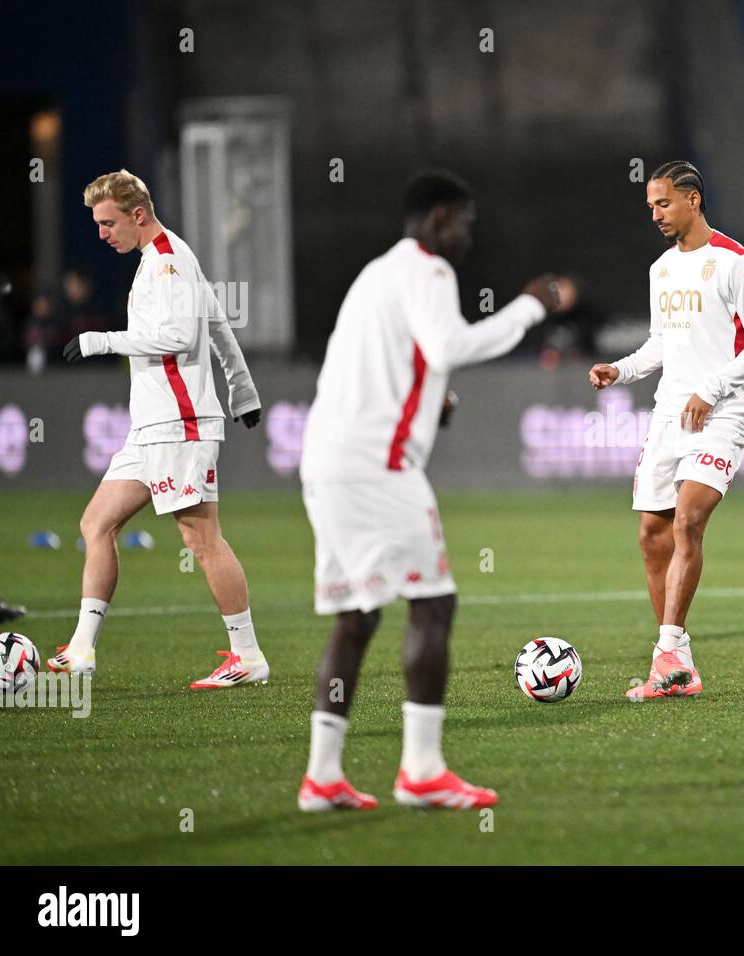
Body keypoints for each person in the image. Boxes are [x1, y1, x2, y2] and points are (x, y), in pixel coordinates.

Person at [297, 169, 577, 812]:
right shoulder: (429, 269)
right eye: (466, 224)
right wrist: (532, 303)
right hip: (378, 466)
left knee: (358, 616)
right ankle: (421, 769)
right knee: (434, 603)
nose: (469, 238)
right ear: (440, 218)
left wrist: (427, 404)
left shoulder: (375, 274)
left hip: (328, 461)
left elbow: (371, 361)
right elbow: (449, 343)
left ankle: (323, 775)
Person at [52, 170, 267, 689]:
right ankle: (81, 649)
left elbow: (176, 336)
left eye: (108, 223)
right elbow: (217, 325)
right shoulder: (166, 257)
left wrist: (98, 341)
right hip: (150, 428)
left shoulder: (167, 262)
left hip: (180, 423)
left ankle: (247, 655)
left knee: (201, 538)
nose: (102, 234)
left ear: (137, 214)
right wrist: (243, 390)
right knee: (95, 525)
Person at [589, 160, 744, 701]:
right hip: (670, 414)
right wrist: (620, 370)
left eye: (663, 203)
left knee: (688, 522)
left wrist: (713, 388)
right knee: (652, 533)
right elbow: (662, 343)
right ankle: (679, 663)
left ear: (693, 200)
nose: (655, 214)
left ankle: (666, 656)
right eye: (650, 205)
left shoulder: (737, 264)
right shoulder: (661, 270)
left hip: (721, 412)